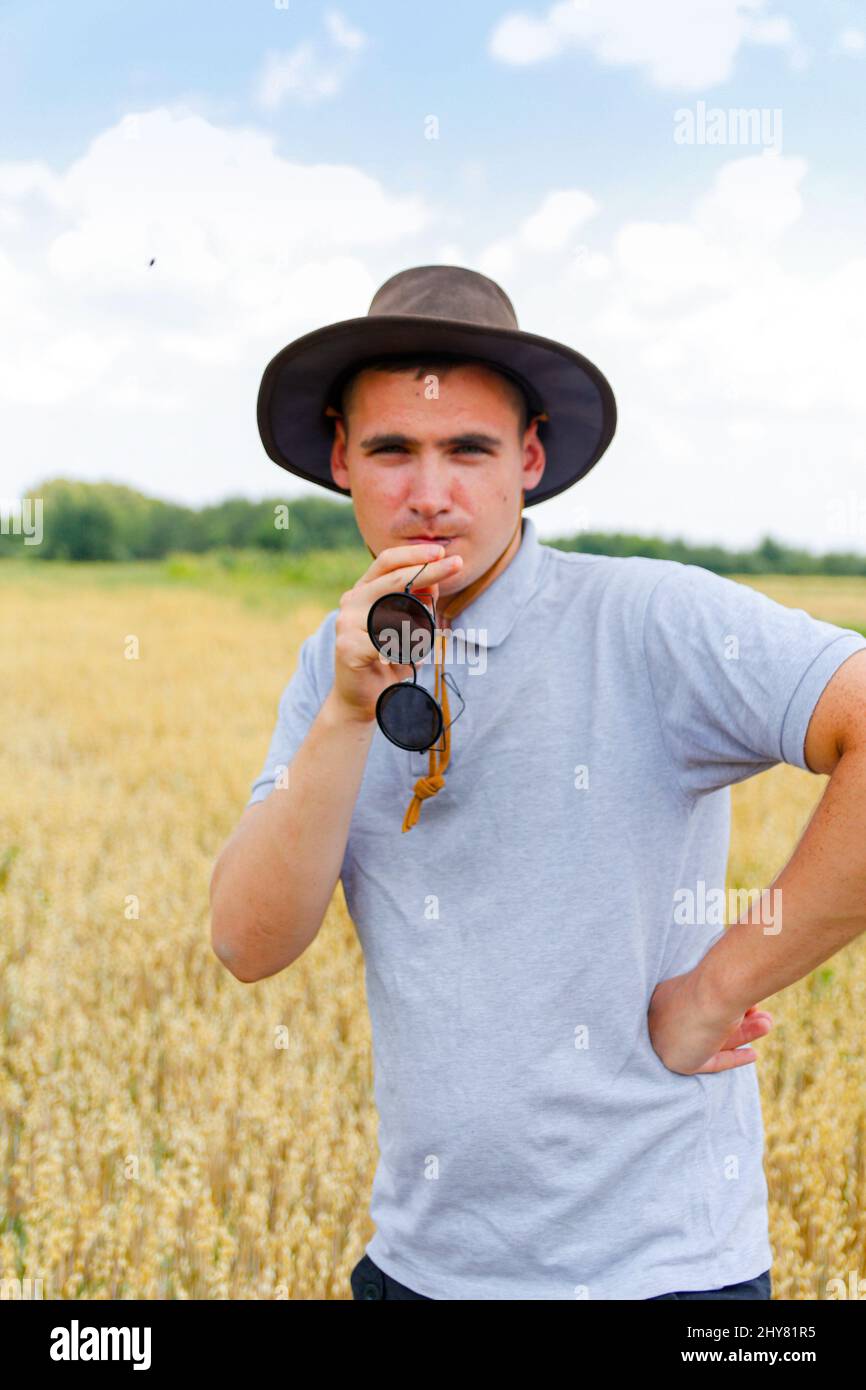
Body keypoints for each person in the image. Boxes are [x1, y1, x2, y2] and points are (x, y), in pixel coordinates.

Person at [209, 265, 866, 1300]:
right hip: (419, 1267)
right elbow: (248, 943)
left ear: (528, 457)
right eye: (392, 449)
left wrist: (717, 986)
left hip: (658, 1276)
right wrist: (343, 711)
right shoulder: (325, 668)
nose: (430, 492)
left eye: (467, 448)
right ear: (341, 459)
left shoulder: (645, 619)